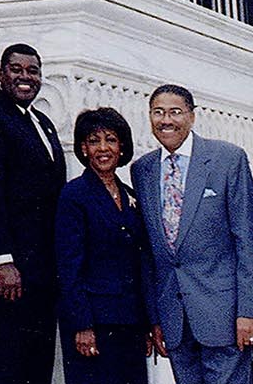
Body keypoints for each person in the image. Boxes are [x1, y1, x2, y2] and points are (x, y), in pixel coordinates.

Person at [133, 83, 253, 384]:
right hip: (175, 320)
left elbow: (249, 240)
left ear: (192, 117)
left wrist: (250, 311)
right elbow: (149, 253)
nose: (166, 120)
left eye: (175, 112)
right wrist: (155, 318)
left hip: (226, 317)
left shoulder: (226, 159)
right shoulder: (142, 170)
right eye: (158, 112)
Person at [0, 42, 66, 384]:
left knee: (37, 362)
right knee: (4, 363)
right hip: (7, 272)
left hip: (41, 269)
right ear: (1, 74)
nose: (26, 77)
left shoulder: (42, 122)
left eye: (33, 71)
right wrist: (3, 261)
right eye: (17, 70)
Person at [55, 107, 150, 384]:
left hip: (129, 321)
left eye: (110, 139)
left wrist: (144, 324)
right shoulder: (74, 195)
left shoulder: (130, 194)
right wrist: (82, 325)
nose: (103, 148)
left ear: (122, 146)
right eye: (94, 141)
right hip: (94, 323)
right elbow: (68, 266)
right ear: (83, 149)